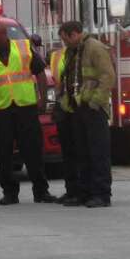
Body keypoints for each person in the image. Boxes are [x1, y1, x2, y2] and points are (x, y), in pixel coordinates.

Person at [0, 23, 54, 205]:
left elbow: (40, 73)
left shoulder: (23, 48)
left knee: (33, 152)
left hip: (26, 108)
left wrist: (43, 99)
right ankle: (9, 193)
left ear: (3, 35)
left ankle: (41, 191)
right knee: (4, 153)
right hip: (1, 111)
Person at [58, 21, 115, 208]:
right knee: (83, 153)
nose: (64, 43)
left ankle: (101, 194)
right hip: (78, 107)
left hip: (93, 108)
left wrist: (95, 102)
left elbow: (108, 76)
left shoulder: (95, 48)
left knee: (98, 153)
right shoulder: (73, 51)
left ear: (74, 34)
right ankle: (84, 192)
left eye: (65, 38)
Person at [47, 41, 82, 205]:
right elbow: (57, 83)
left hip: (78, 108)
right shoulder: (56, 56)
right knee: (67, 153)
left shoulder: (82, 53)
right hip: (63, 107)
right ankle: (71, 190)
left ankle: (80, 191)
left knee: (79, 152)